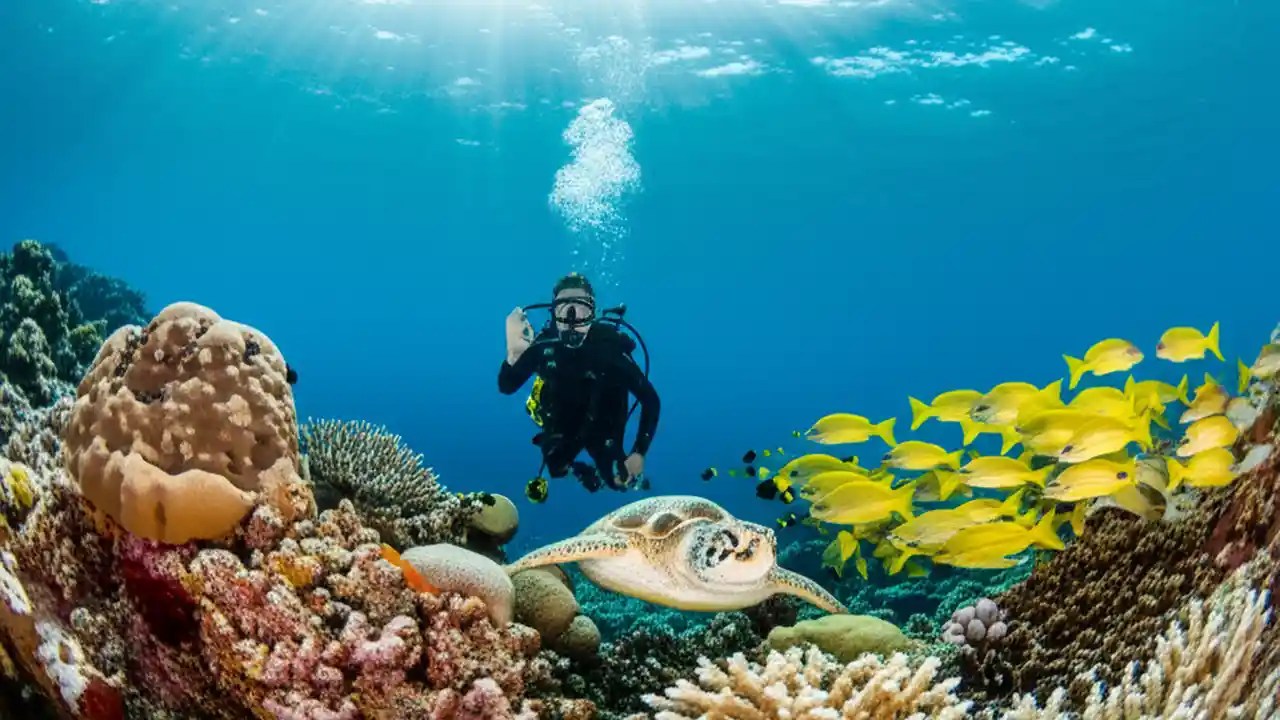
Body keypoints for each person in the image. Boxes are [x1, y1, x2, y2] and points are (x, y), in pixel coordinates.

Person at [498, 272, 660, 498]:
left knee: (618, 482)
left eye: (581, 311)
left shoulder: (609, 351)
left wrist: (638, 453)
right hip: (563, 423)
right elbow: (506, 386)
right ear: (553, 313)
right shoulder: (545, 348)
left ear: (592, 314)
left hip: (605, 425)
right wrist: (513, 354)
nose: (573, 321)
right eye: (565, 311)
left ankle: (600, 475)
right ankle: (580, 471)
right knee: (556, 467)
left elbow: (651, 400)